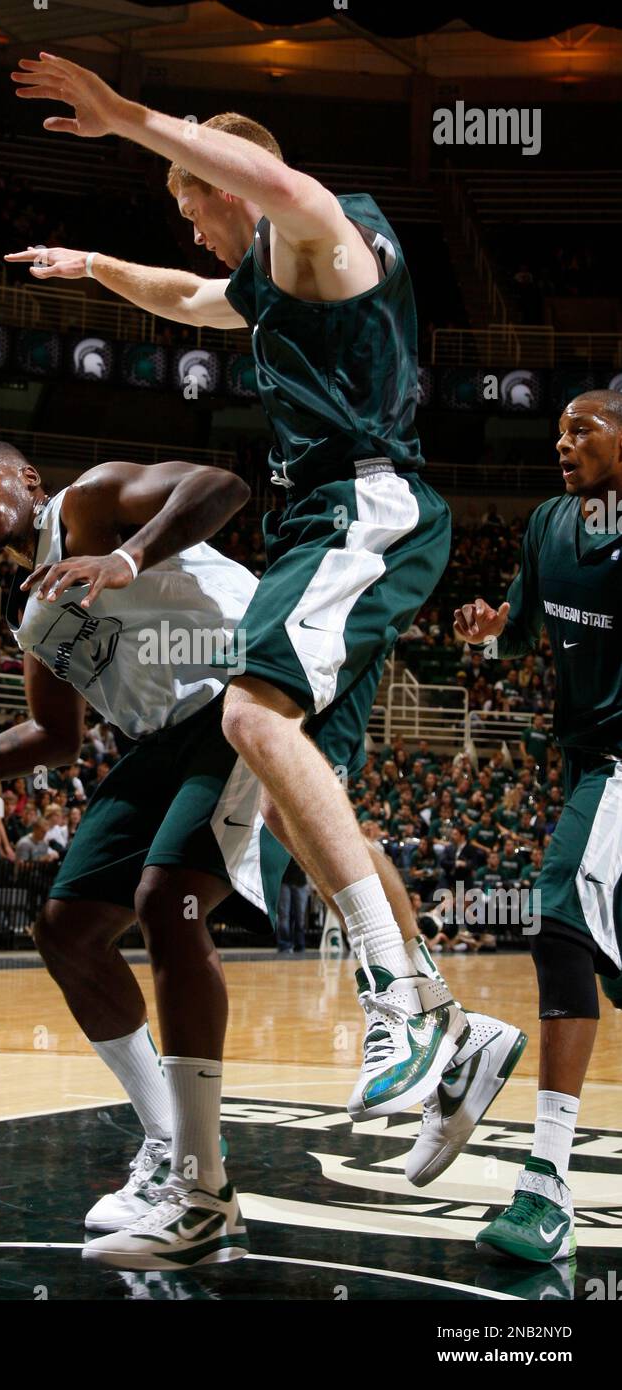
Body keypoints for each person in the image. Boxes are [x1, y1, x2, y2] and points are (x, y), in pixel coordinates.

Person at [6, 54, 522, 1184]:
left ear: (227, 179)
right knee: (294, 788)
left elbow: (279, 187)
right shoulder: (266, 279)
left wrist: (127, 118)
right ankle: (453, 1027)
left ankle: (396, 999)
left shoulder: (321, 233)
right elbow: (186, 300)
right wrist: (92, 266)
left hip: (358, 508)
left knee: (247, 718)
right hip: (330, 528)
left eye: (192, 203)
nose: (191, 229)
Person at [0, 437, 277, 1269]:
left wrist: (125, 558)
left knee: (168, 902)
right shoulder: (35, 614)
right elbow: (55, 736)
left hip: (243, 686)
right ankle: (168, 1142)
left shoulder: (89, 504)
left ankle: (202, 1184)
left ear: (29, 480)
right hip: (162, 738)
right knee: (66, 930)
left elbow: (223, 484)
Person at [455, 390, 622, 1265]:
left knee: (557, 917)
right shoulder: (549, 525)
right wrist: (489, 633)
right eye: (557, 431)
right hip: (583, 760)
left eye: (581, 429)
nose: (561, 443)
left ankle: (546, 1183)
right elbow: (521, 632)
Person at [276, 857, 309, 956]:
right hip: (283, 880)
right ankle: (284, 945)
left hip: (301, 881)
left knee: (300, 917)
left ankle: (300, 944)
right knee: (283, 915)